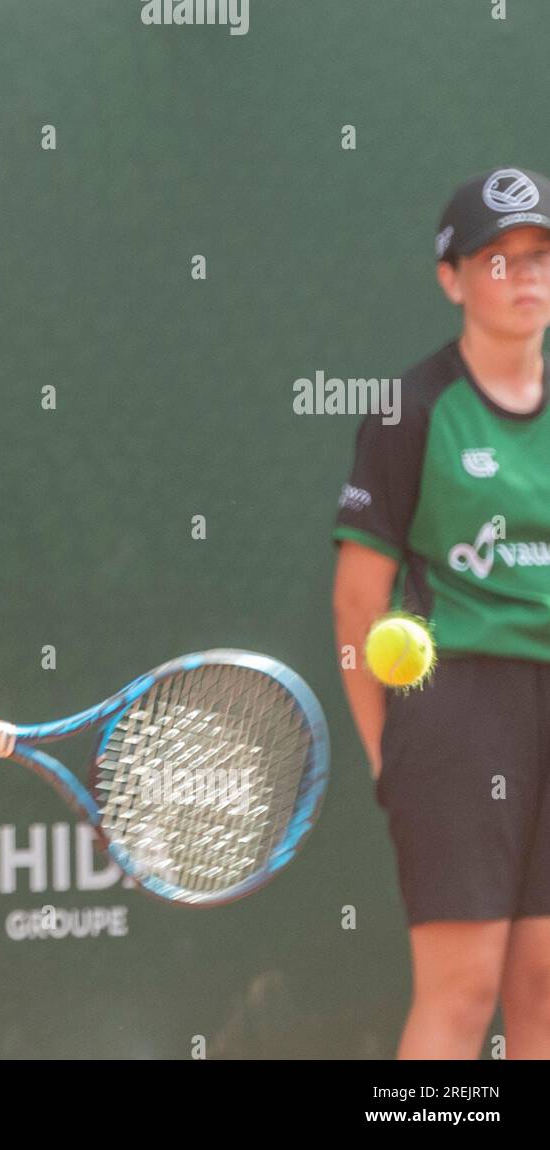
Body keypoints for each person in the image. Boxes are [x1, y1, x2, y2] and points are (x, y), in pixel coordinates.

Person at [332, 166, 550, 1059]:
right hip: (456, 720)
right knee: (462, 996)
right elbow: (357, 602)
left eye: (539, 256)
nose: (525, 275)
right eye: (496, 259)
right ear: (451, 278)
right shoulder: (411, 412)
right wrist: (392, 756)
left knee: (543, 988)